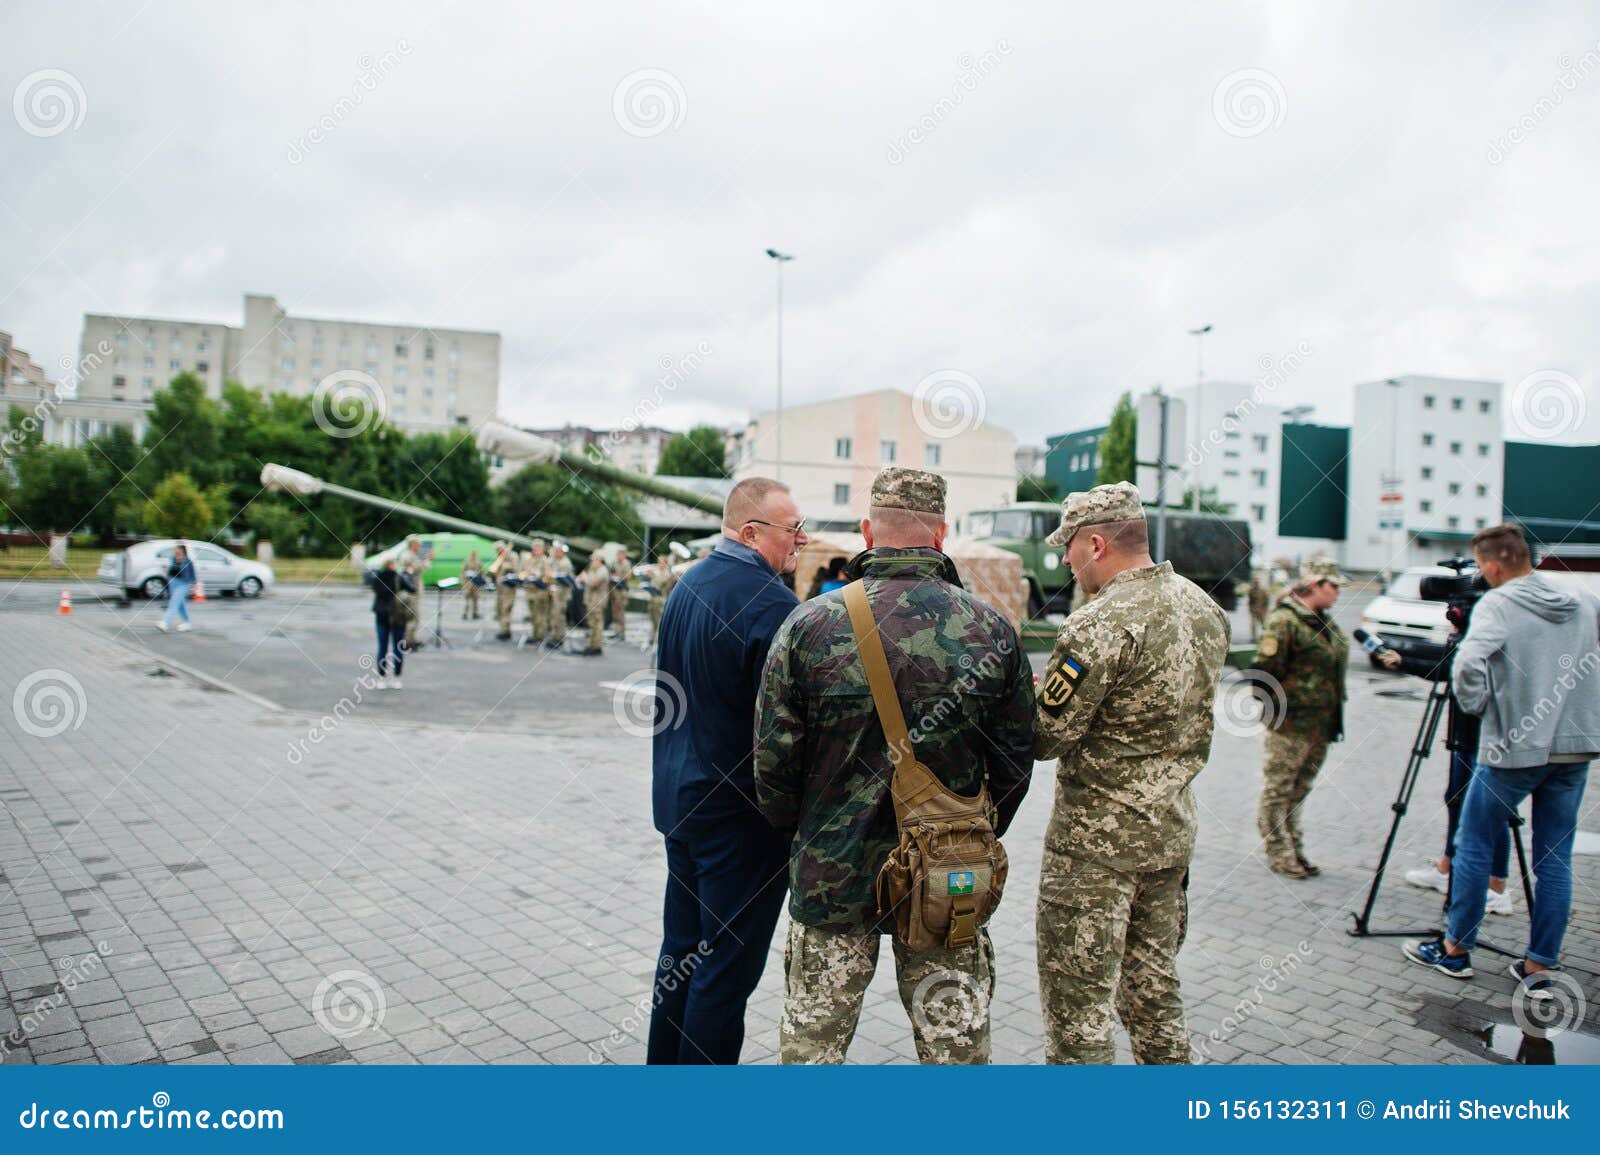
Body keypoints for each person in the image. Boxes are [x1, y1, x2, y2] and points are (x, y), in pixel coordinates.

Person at [754, 468, 1034, 1064]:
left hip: (832, 878)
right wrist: (970, 832)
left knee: (812, 1050)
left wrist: (807, 837)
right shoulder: (992, 632)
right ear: (941, 536)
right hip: (946, 876)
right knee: (953, 1051)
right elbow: (1014, 764)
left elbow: (772, 766)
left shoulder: (807, 627)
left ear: (866, 533)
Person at [1033, 482, 1230, 1065]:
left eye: (1067, 548)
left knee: (1080, 1014)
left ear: (1095, 544)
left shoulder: (1100, 624)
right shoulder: (1203, 607)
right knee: (1154, 994)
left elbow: (1047, 735)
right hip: (1168, 838)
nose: (1064, 562)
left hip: (1095, 853)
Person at [647, 477, 807, 1064]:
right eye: (792, 530)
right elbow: (788, 729)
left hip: (681, 801)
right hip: (739, 819)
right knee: (724, 971)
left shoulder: (689, 585)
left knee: (681, 955)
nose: (803, 540)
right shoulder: (771, 604)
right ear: (750, 532)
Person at [1403, 524, 1600, 993]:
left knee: (1474, 845)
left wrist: (1480, 706)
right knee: (1554, 857)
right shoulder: (1582, 597)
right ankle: (1539, 967)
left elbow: (1468, 665)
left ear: (1492, 564)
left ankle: (1455, 950)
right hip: (1574, 746)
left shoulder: (1499, 602)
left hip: (1514, 749)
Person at [1248, 559, 1398, 878]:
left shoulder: (1324, 622)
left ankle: (1294, 847)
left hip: (1320, 726)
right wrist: (1274, 714)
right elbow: (1262, 674)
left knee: (1299, 790)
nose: (1337, 594)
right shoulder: (1285, 621)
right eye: (1333, 587)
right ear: (1314, 586)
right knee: (1278, 790)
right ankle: (1279, 853)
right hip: (1290, 725)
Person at [370, 558, 406, 690]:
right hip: (390, 615)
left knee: (388, 647)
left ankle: (386, 677)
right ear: (390, 565)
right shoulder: (394, 578)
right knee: (392, 647)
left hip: (389, 616)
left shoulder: (382, 577)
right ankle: (391, 677)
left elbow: (411, 588)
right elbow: (383, 592)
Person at [156, 543, 196, 633]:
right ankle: (187, 623)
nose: (176, 554)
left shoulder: (188, 562)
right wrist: (167, 571)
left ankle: (165, 623)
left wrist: (194, 586)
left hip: (183, 585)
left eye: (178, 552)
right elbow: (171, 572)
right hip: (173, 584)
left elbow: (191, 576)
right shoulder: (173, 559)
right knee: (180, 606)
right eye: (175, 552)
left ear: (184, 552)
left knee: (173, 603)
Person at [580, 552, 610, 655]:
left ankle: (597, 646)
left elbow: (594, 583)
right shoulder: (593, 570)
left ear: (600, 560)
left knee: (597, 624)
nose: (592, 562)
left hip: (597, 601)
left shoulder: (603, 571)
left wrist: (585, 578)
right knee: (592, 624)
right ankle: (591, 644)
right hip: (591, 600)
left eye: (594, 560)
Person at [523, 539, 552, 645]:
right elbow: (525, 572)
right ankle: (535, 634)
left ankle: (541, 635)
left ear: (542, 549)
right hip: (530, 591)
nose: (535, 549)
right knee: (533, 615)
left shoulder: (545, 561)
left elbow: (548, 576)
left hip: (540, 592)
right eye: (534, 547)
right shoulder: (530, 560)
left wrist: (538, 577)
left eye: (537, 547)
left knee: (541, 615)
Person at [489, 541, 518, 641]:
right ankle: (503, 629)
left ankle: (505, 632)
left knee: (506, 609)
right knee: (500, 610)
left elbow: (516, 570)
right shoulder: (499, 557)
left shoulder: (513, 556)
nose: (498, 551)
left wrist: (506, 565)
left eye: (500, 549)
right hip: (500, 588)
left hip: (508, 588)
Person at [548, 541, 576, 646]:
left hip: (562, 594)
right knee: (555, 615)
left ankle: (559, 638)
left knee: (559, 616)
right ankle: (555, 636)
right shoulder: (555, 561)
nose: (555, 553)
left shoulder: (565, 563)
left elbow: (563, 580)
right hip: (556, 593)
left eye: (557, 551)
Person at [646, 552, 678, 643]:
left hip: (661, 600)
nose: (658, 564)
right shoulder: (658, 572)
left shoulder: (667, 574)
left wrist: (653, 575)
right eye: (658, 562)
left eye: (660, 562)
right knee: (653, 620)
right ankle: (652, 638)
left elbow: (661, 584)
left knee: (660, 621)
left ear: (665, 563)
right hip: (653, 599)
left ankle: (658, 640)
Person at [608, 549, 632, 640]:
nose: (618, 557)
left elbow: (629, 576)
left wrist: (618, 578)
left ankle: (621, 633)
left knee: (621, 612)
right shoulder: (615, 563)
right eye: (617, 555)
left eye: (620, 555)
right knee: (615, 612)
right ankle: (616, 632)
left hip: (622, 591)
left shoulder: (626, 564)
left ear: (624, 555)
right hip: (615, 590)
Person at [461, 548, 483, 620]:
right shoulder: (466, 561)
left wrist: (481, 582)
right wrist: (463, 583)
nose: (473, 555)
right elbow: (463, 572)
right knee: (467, 599)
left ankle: (475, 613)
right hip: (468, 583)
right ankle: (465, 613)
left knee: (475, 599)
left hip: (476, 584)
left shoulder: (478, 562)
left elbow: (481, 572)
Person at [1247, 577, 1270, 641]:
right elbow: (1250, 601)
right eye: (1255, 583)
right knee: (1253, 625)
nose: (1256, 584)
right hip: (1254, 611)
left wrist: (1264, 610)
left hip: (1262, 611)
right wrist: (1251, 609)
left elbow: (1267, 601)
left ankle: (1265, 636)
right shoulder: (1251, 591)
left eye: (1257, 582)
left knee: (1264, 624)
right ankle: (1253, 638)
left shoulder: (1263, 591)